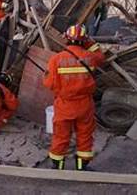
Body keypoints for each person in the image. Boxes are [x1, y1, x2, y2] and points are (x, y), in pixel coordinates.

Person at [43, 24, 105, 171]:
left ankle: (58, 167)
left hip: (64, 105)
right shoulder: (91, 58)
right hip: (85, 105)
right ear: (84, 40)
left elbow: (49, 83)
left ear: (66, 39)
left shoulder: (56, 60)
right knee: (84, 135)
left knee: (61, 136)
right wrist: (90, 42)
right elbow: (101, 56)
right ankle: (81, 167)